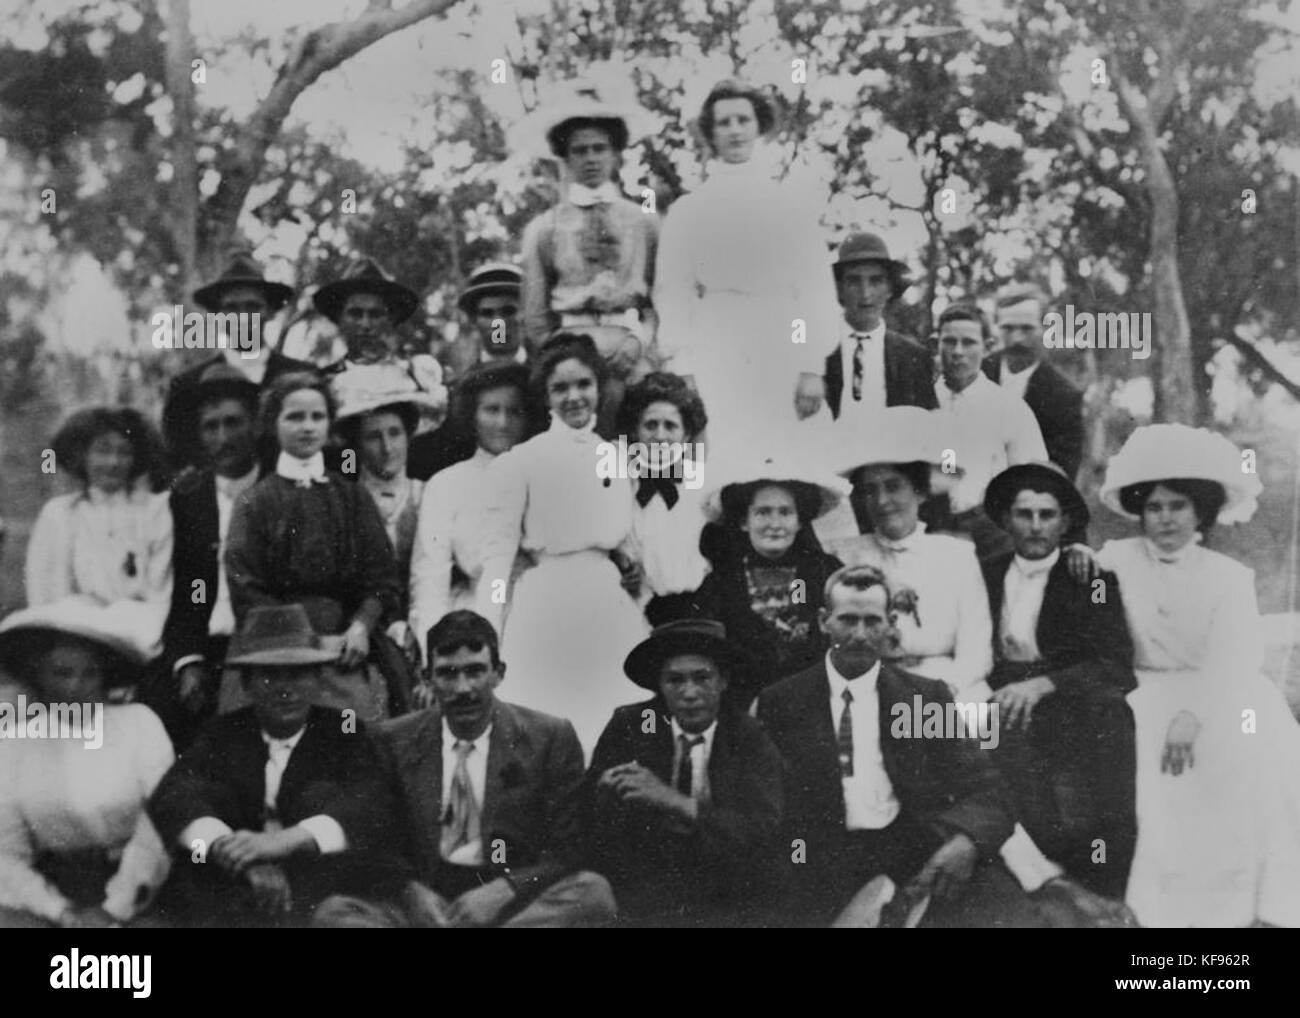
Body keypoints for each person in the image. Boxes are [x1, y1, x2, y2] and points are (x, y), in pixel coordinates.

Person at [1088, 424, 1300, 928]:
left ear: (1200, 511)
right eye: (1155, 507)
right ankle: (1160, 913)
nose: (1165, 519)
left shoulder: (1228, 577)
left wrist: (1193, 716)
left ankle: (1250, 905)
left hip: (1219, 693)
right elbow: (1085, 593)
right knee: (1157, 781)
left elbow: (1233, 662)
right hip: (1143, 689)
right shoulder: (1115, 561)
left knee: (1250, 754)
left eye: (1178, 506)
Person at [756, 565, 1042, 928]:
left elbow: (989, 789)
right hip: (821, 859)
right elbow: (769, 806)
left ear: (891, 623)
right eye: (847, 620)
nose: (860, 635)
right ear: (824, 620)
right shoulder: (782, 701)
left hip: (913, 848)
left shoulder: (922, 698)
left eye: (873, 621)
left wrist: (966, 841)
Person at [312, 610, 617, 928]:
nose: (462, 688)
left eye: (475, 671)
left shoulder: (550, 737)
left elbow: (568, 848)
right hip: (427, 908)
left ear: (498, 673)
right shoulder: (391, 740)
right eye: (447, 674)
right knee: (334, 914)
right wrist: (409, 891)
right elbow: (372, 840)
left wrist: (505, 889)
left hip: (511, 907)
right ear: (427, 678)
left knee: (593, 893)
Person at [149, 605, 388, 927]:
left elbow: (370, 804)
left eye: (297, 673)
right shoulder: (223, 734)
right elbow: (176, 795)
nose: (284, 688)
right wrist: (228, 849)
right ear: (246, 684)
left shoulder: (344, 733)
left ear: (318, 680)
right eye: (269, 674)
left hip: (319, 897)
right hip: (232, 896)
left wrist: (289, 839)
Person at [474, 334, 647, 758]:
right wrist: (487, 636)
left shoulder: (616, 458)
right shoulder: (522, 462)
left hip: (608, 606)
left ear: (599, 387)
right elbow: (497, 560)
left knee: (612, 723)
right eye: (561, 388)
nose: (574, 397)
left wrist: (629, 565)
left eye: (583, 385)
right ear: (546, 396)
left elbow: (625, 540)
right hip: (547, 604)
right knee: (550, 730)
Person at [980, 461, 1139, 915]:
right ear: (1006, 520)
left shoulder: (1089, 578)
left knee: (1100, 753)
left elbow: (1114, 664)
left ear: (1065, 522)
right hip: (999, 691)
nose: (1034, 526)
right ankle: (1036, 891)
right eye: (1023, 514)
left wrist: (1044, 686)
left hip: (1067, 695)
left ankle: (1105, 885)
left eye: (1046, 515)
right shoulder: (986, 573)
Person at [654, 79, 839, 458]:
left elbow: (815, 287)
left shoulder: (789, 204)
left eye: (743, 119)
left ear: (759, 126)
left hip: (782, 342)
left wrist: (811, 365)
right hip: (716, 346)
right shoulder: (689, 211)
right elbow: (673, 292)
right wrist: (683, 366)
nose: (735, 130)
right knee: (720, 450)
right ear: (710, 132)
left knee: (787, 452)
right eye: (724, 123)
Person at [222, 372, 406, 722]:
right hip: (273, 649)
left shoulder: (351, 496)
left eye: (317, 417)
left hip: (345, 647)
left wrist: (361, 627)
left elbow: (382, 578)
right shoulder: (254, 502)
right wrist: (303, 641)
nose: (307, 427)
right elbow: (245, 589)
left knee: (361, 721)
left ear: (329, 424)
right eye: (294, 417)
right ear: (272, 424)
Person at [586, 618, 783, 927]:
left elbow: (761, 829)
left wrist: (674, 801)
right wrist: (604, 790)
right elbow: (591, 820)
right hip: (647, 889)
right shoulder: (631, 725)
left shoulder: (747, 735)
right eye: (675, 680)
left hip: (727, 890)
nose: (689, 693)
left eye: (702, 678)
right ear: (660, 686)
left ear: (723, 681)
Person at [0, 602, 173, 928]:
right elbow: (5, 852)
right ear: (39, 676)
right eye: (62, 673)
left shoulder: (139, 725)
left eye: (89, 673)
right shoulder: (13, 742)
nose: (76, 688)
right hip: (49, 894)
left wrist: (114, 908)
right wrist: (60, 911)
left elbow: (162, 822)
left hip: (139, 886)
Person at [824, 406, 993, 704]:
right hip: (868, 681)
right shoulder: (844, 555)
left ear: (920, 492)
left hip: (946, 681)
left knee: (976, 723)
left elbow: (977, 652)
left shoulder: (958, 556)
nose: (882, 501)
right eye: (870, 491)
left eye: (893, 487)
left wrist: (942, 691)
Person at [520, 84, 659, 436]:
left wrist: (638, 341)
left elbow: (662, 299)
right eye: (580, 150)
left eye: (600, 148)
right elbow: (536, 318)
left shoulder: (644, 221)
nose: (591, 158)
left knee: (644, 436)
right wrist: (564, 360)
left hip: (632, 345)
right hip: (571, 350)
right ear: (565, 157)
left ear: (616, 154)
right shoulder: (545, 228)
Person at [153, 362, 264, 750]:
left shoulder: (278, 489)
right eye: (211, 427)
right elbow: (185, 589)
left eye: (234, 423)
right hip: (208, 647)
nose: (223, 437)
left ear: (256, 424)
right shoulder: (188, 499)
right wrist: (188, 660)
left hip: (264, 647)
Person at [408, 362, 539, 668]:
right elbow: (429, 578)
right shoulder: (447, 484)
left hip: (541, 611)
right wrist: (435, 656)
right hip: (475, 614)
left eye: (515, 412)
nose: (503, 422)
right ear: (472, 416)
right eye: (491, 410)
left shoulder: (543, 476)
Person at [694, 452, 848, 702]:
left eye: (785, 512)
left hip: (816, 701)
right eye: (763, 512)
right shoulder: (721, 581)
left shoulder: (825, 571)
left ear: (799, 521)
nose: (774, 523)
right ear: (744, 521)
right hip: (744, 706)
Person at [27, 406, 173, 663]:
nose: (113, 462)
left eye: (123, 452)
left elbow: (160, 594)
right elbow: (46, 595)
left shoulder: (155, 511)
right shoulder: (60, 514)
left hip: (140, 637)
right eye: (102, 451)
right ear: (82, 456)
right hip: (74, 637)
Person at [162, 253, 317, 471]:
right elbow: (176, 463)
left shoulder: (304, 378)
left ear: (271, 312)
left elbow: (336, 454)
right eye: (231, 309)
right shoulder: (187, 385)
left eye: (252, 306)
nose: (242, 317)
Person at [333, 388, 441, 669]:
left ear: (408, 436)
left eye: (395, 433)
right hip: (360, 638)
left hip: (422, 633)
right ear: (357, 444)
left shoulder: (428, 495)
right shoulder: (344, 504)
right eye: (373, 437)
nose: (387, 448)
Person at [931, 302, 1047, 562]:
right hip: (931, 527)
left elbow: (1032, 479)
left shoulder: (1009, 409)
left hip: (991, 533)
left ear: (989, 346)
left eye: (969, 342)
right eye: (949, 342)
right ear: (934, 344)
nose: (958, 352)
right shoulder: (922, 402)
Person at [408, 263, 527, 481]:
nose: (498, 324)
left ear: (525, 315)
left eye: (508, 311)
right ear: (474, 321)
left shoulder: (546, 381)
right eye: (487, 313)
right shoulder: (456, 392)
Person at [614, 372, 712, 626]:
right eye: (650, 425)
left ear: (687, 435)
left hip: (696, 609)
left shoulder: (700, 486)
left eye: (670, 426)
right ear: (635, 432)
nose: (659, 435)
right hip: (638, 610)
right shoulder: (623, 486)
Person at [314, 259, 447, 430]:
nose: (366, 325)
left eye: (375, 314)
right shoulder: (325, 382)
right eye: (355, 314)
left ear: (391, 320)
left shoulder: (416, 376)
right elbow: (344, 452)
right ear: (340, 320)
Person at [824, 232, 936, 421]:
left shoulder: (914, 357)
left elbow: (928, 429)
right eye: (854, 281)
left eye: (875, 281)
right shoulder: (818, 353)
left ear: (890, 289)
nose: (865, 294)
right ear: (840, 289)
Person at [984, 288, 1084, 481]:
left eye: (1027, 329)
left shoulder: (1064, 396)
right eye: (1008, 328)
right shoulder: (972, 375)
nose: (1017, 339)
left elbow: (1062, 472)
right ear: (996, 328)